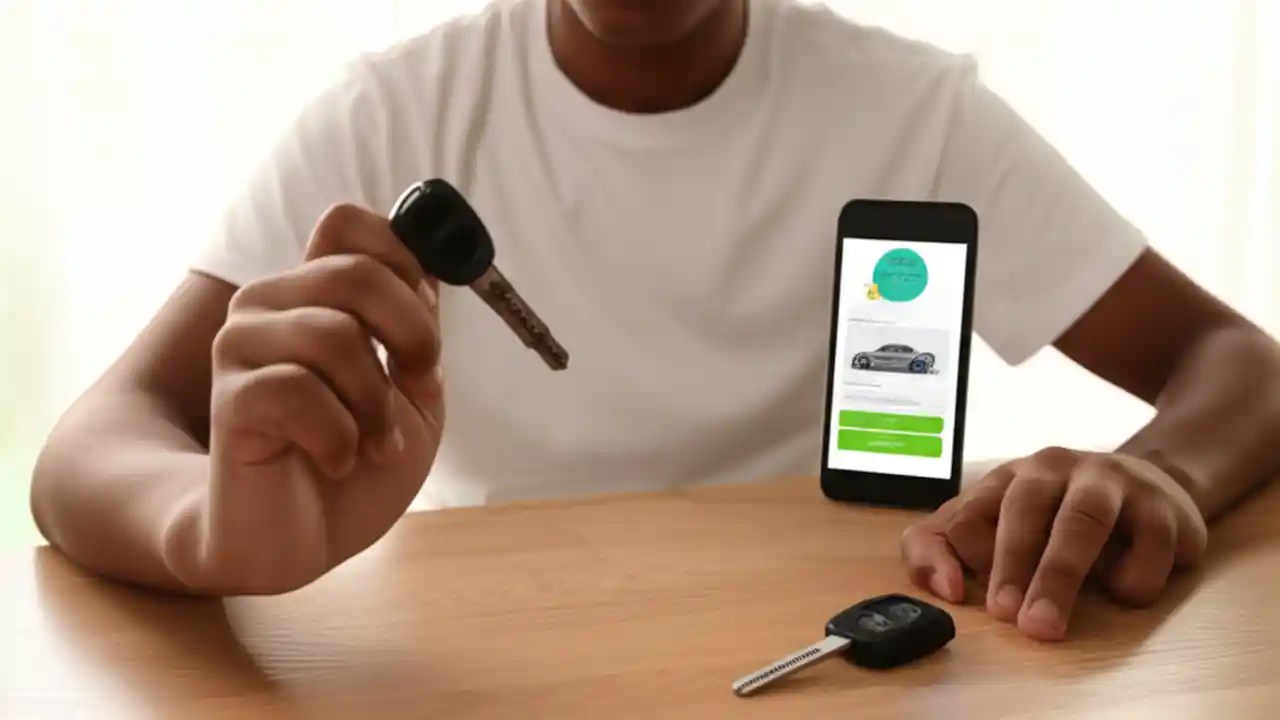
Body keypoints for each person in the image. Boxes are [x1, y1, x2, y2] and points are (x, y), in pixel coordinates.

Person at [30, 0, 1280, 643]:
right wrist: (216, 542)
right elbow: (92, 447)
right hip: (506, 656)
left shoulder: (912, 112)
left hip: (825, 641)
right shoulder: (397, 110)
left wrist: (1156, 471)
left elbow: (1238, 364)